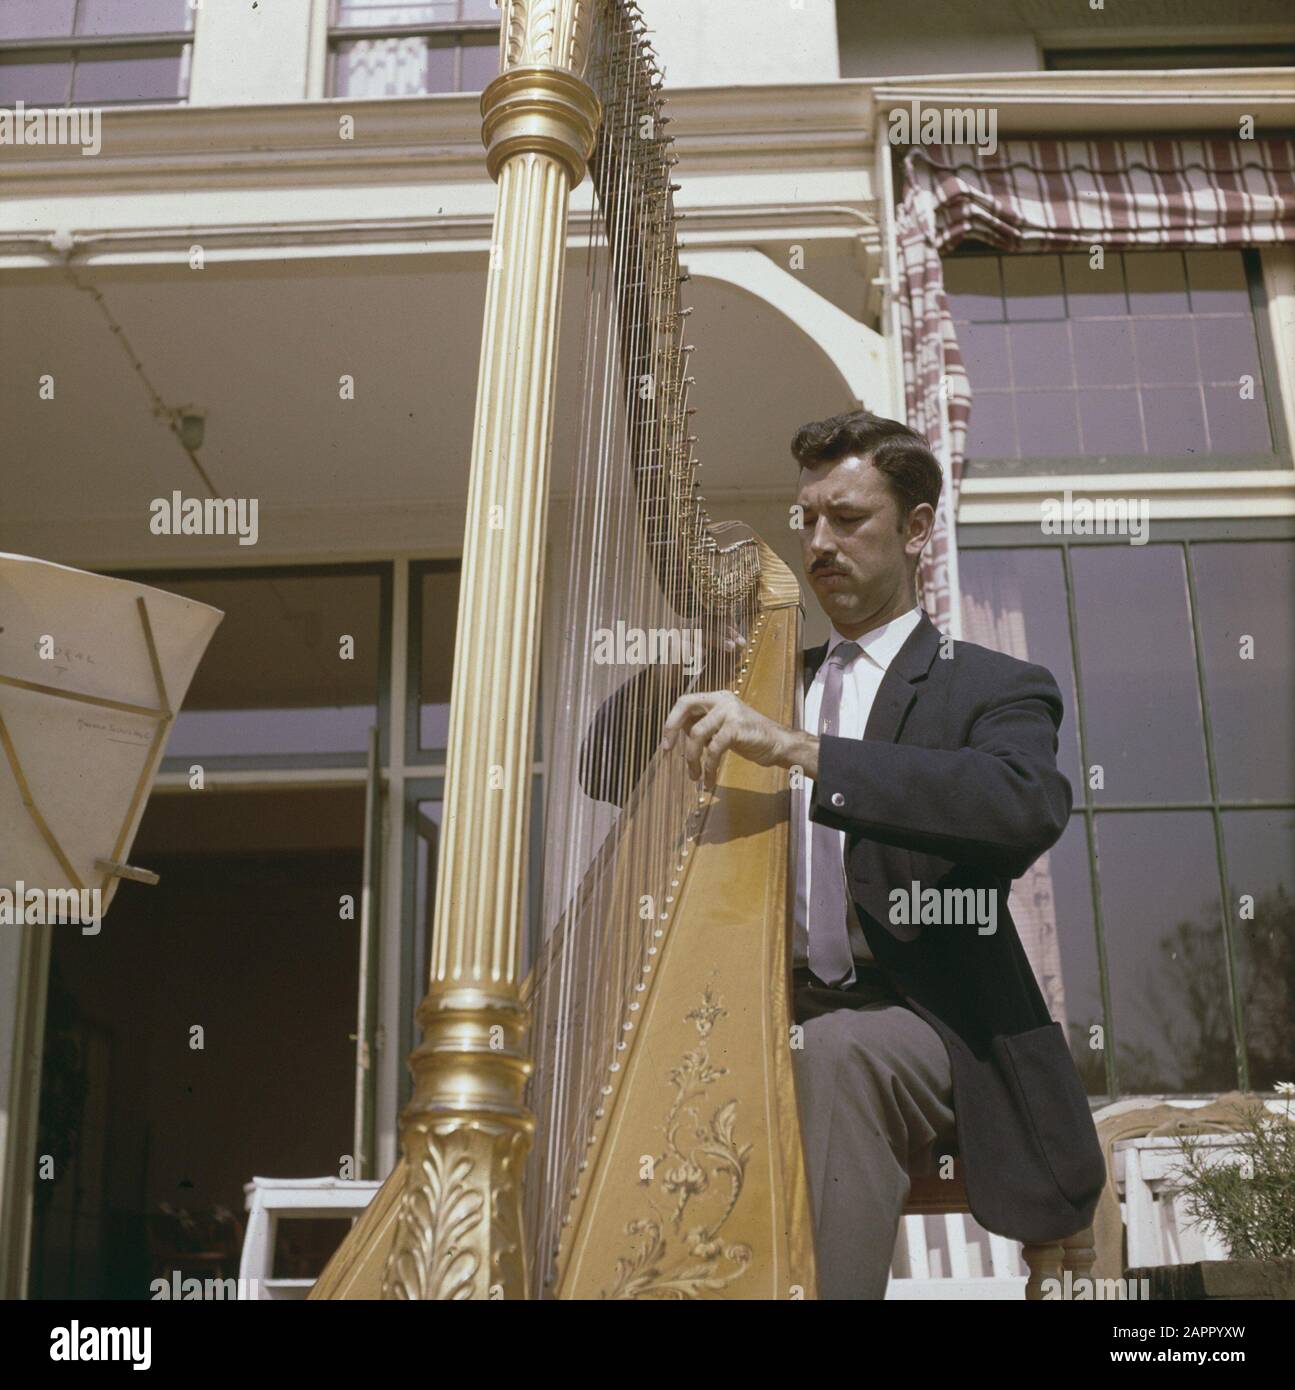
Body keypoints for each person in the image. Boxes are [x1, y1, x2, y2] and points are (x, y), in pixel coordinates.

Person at [585, 408, 1107, 1298]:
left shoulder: (988, 685)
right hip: (762, 1011)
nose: (819, 542)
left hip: (934, 1022)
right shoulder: (768, 677)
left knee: (835, 1055)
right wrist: (696, 654)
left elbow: (1022, 805)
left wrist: (801, 750)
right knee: (612, 1062)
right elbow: (603, 762)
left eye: (847, 519)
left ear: (913, 531)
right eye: (807, 520)